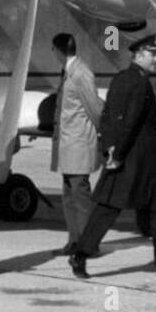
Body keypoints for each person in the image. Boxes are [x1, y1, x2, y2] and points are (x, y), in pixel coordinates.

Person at [69, 34, 156, 279]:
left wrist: (109, 148)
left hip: (129, 155)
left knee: (118, 207)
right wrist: (119, 153)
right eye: (153, 55)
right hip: (141, 158)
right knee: (139, 209)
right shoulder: (140, 83)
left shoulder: (121, 79)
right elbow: (132, 121)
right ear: (141, 54)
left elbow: (108, 116)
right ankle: (82, 254)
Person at [50, 32, 104, 256]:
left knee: (80, 196)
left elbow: (94, 109)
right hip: (68, 144)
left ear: (59, 50)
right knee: (69, 195)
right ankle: (74, 241)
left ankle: (89, 244)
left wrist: (105, 137)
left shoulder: (81, 73)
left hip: (79, 143)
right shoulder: (69, 72)